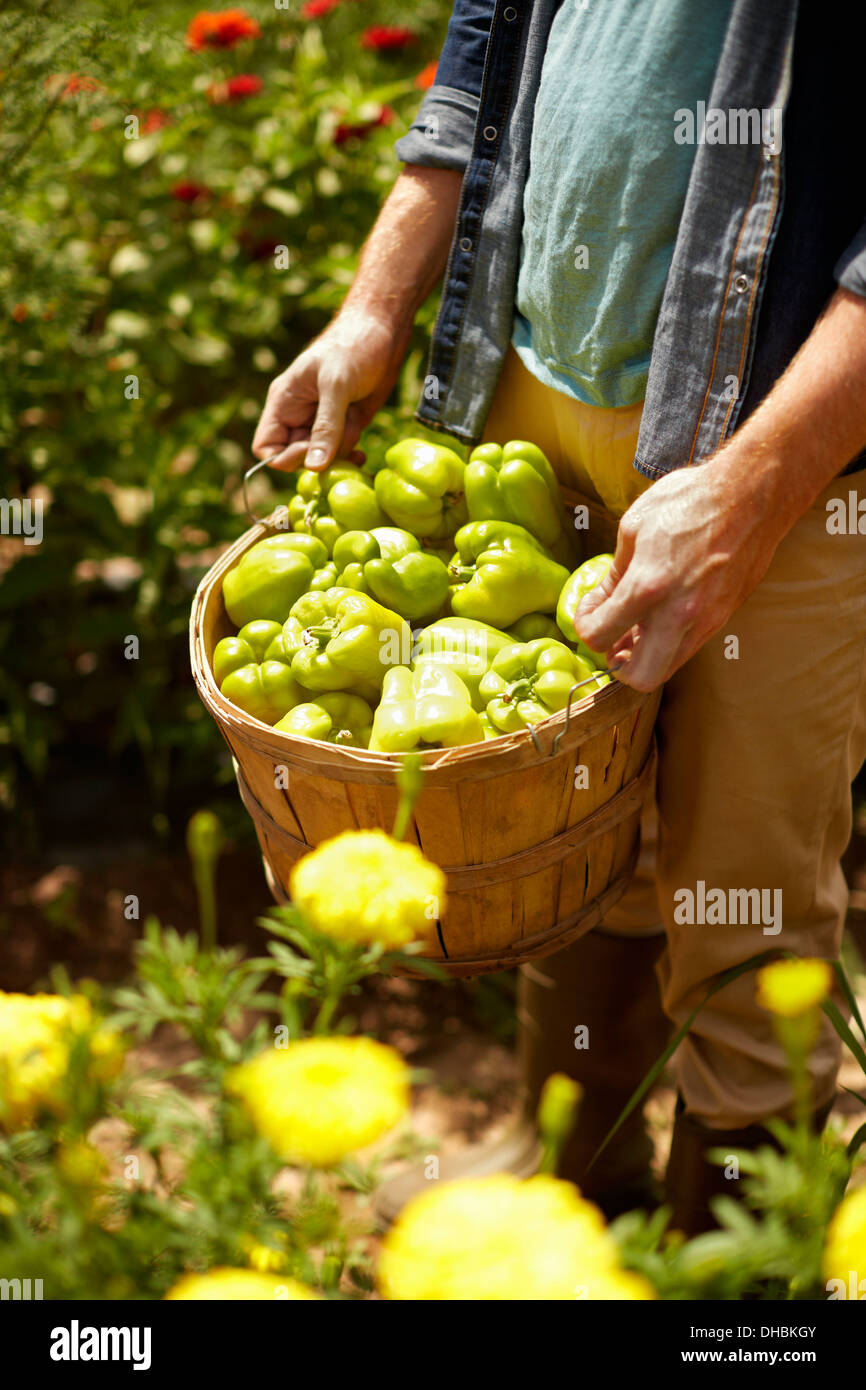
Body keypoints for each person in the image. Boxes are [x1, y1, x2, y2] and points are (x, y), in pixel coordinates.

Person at [252, 0, 866, 1233]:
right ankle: (574, 1209)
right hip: (528, 378)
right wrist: (377, 302)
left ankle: (729, 1281)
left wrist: (754, 489)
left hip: (783, 431)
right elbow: (489, 34)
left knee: (743, 903)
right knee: (566, 828)